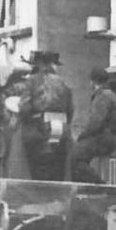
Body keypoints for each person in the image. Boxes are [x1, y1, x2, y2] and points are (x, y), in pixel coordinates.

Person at [18, 51, 73, 181]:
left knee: (39, 168)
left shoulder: (33, 81)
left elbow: (25, 107)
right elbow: (70, 110)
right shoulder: (63, 82)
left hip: (39, 129)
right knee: (57, 167)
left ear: (39, 63)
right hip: (61, 129)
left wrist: (26, 119)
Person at [70, 67, 116, 185]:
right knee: (82, 155)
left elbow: (95, 122)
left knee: (74, 158)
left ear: (92, 82)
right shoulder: (112, 95)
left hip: (104, 138)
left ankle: (98, 185)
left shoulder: (102, 96)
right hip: (111, 138)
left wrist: (82, 136)